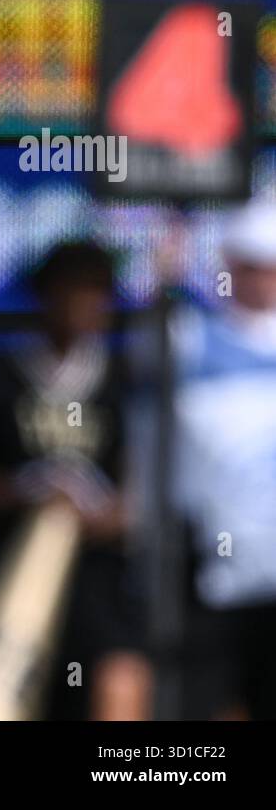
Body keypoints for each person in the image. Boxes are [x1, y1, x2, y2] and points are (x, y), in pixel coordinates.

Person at [0, 241, 149, 720]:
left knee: (113, 684)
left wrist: (100, 512)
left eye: (99, 293)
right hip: (17, 582)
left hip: (100, 582)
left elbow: (142, 492)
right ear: (47, 295)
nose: (88, 306)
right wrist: (27, 491)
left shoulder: (123, 379)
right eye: (75, 291)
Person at [127, 201, 276, 718]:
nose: (261, 280)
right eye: (250, 266)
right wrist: (164, 271)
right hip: (204, 568)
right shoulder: (188, 338)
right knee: (193, 707)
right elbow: (150, 339)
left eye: (271, 267)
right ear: (230, 267)